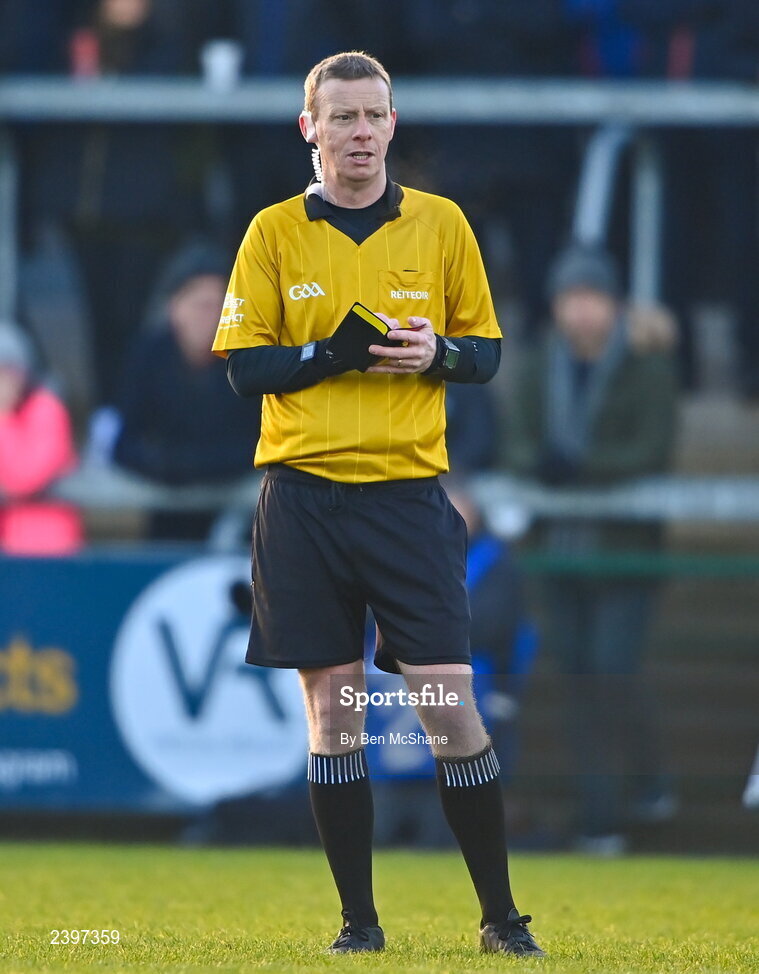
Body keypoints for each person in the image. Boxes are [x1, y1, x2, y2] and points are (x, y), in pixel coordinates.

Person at [212, 51, 544, 956]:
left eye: (374, 116)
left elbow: (487, 353)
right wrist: (337, 353)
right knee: (334, 712)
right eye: (343, 117)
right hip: (305, 498)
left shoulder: (440, 226)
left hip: (406, 498)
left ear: (392, 125)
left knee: (448, 704)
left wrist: (436, 353)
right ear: (308, 128)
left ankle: (500, 920)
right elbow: (244, 368)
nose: (360, 133)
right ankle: (358, 925)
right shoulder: (274, 233)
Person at [508, 244, 679, 854]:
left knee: (612, 670)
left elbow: (651, 451)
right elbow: (518, 446)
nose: (581, 313)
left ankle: (649, 782)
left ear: (613, 305)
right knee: (579, 680)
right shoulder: (534, 367)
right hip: (557, 552)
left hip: (626, 553)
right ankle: (599, 819)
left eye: (593, 299)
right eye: (570, 300)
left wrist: (575, 468)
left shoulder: (647, 366)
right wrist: (546, 468)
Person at [112, 242, 262, 539]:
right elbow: (123, 444)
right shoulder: (149, 356)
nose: (209, 316)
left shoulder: (252, 358)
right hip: (166, 510)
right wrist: (168, 465)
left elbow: (264, 440)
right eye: (200, 305)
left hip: (241, 514)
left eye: (219, 305)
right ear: (174, 307)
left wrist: (203, 465)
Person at [0, 321, 82, 555]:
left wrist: (3, 418)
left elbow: (24, 477)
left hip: (45, 548)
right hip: (8, 549)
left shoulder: (46, 409)